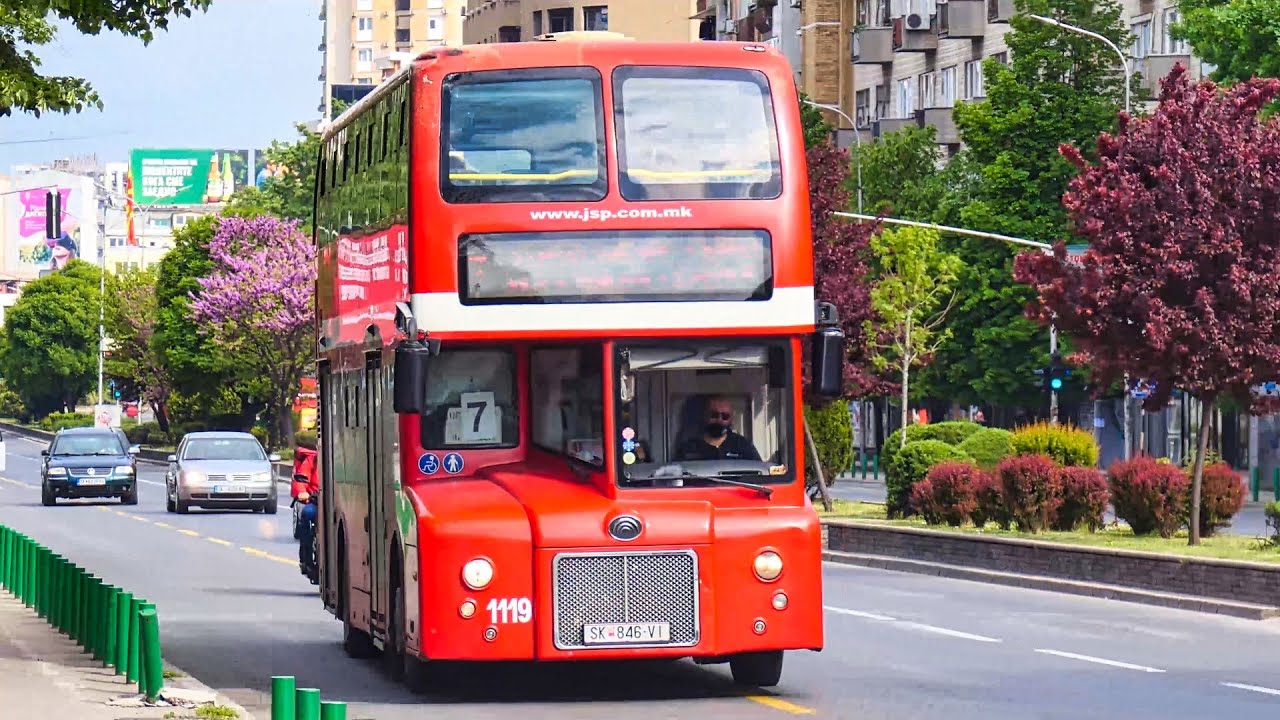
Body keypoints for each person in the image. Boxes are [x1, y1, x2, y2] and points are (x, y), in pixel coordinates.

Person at [675, 395, 761, 462]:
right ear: (705, 416)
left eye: (725, 416)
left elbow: (758, 475)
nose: (719, 420)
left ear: (731, 419)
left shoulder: (743, 445)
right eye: (714, 415)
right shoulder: (689, 448)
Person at [291, 446, 320, 576]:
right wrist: (302, 492)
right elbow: (301, 478)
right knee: (307, 514)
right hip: (316, 502)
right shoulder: (312, 460)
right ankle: (306, 558)